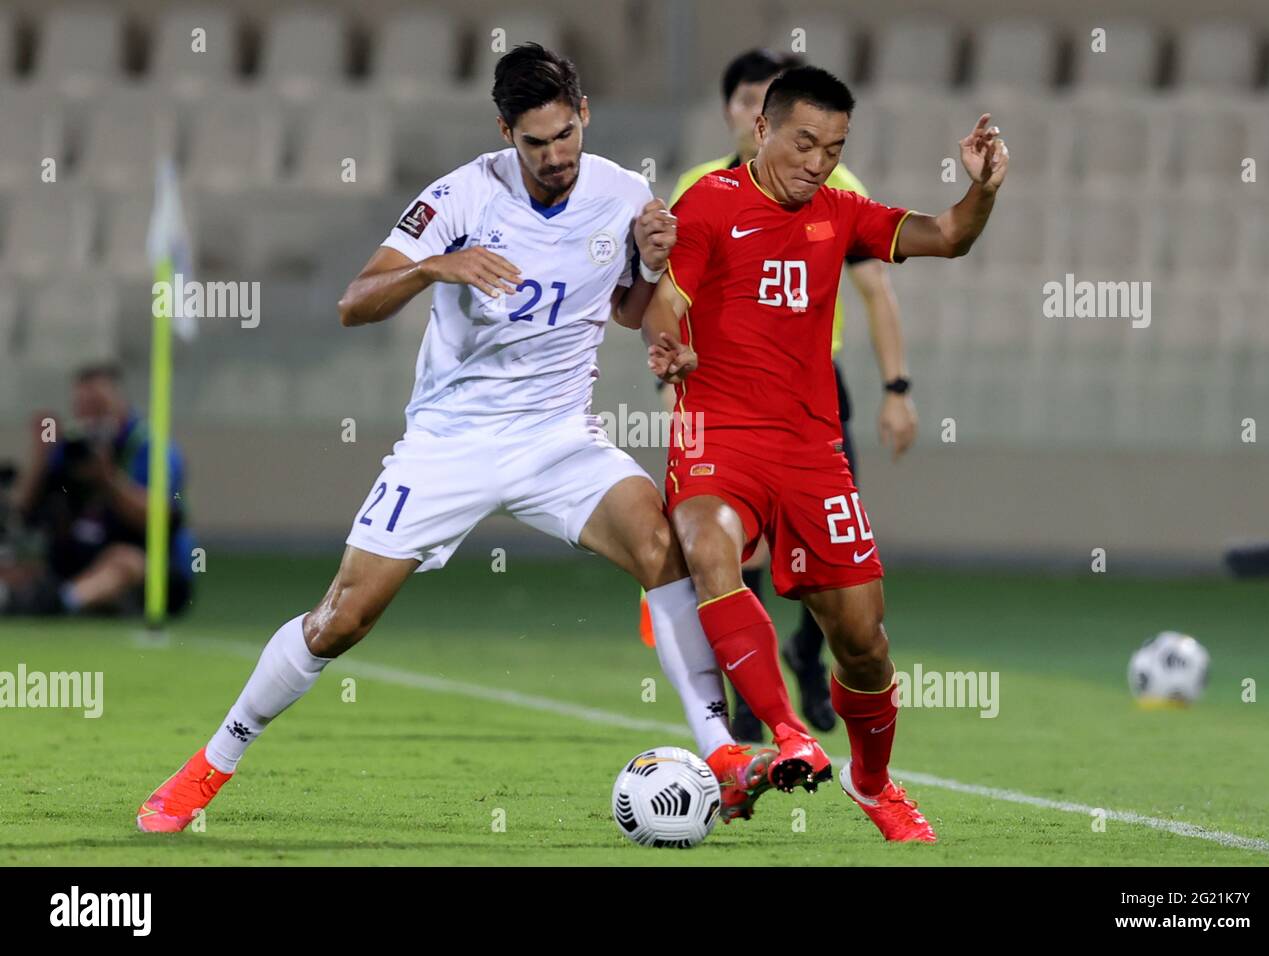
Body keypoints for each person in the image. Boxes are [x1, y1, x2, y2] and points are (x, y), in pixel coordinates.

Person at [135, 44, 781, 834]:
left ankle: (722, 754)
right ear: (506, 132)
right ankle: (210, 765)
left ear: (584, 116)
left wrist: (650, 269)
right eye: (535, 143)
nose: (555, 158)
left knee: (665, 549)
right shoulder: (461, 195)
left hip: (557, 437)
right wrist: (438, 267)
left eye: (565, 136)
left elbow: (626, 308)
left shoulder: (623, 191)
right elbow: (354, 302)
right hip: (451, 442)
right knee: (342, 617)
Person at [642, 66, 1009, 842]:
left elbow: (947, 236)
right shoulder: (708, 202)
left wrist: (982, 190)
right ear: (763, 129)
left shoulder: (840, 212)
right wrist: (670, 349)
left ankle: (872, 784)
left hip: (812, 448)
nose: (817, 161)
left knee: (865, 644)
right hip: (718, 435)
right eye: (805, 142)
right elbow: (666, 301)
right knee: (709, 545)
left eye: (833, 147)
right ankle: (786, 734)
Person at [644, 48, 918, 739]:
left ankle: (806, 649)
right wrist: (670, 359)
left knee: (824, 553)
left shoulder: (832, 183)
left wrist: (897, 386)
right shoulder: (700, 186)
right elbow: (669, 296)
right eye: (741, 100)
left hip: (815, 396)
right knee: (732, 550)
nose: (748, 112)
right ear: (742, 116)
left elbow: (875, 286)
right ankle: (749, 705)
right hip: (723, 399)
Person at [0, 363, 195, 618]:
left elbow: (162, 518)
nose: (91, 417)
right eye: (83, 408)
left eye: (99, 406)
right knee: (18, 565)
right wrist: (40, 457)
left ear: (121, 404)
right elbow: (23, 513)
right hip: (79, 558)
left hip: (148, 568)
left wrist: (109, 480)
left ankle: (62, 601)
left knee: (123, 561)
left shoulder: (150, 449)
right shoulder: (72, 449)